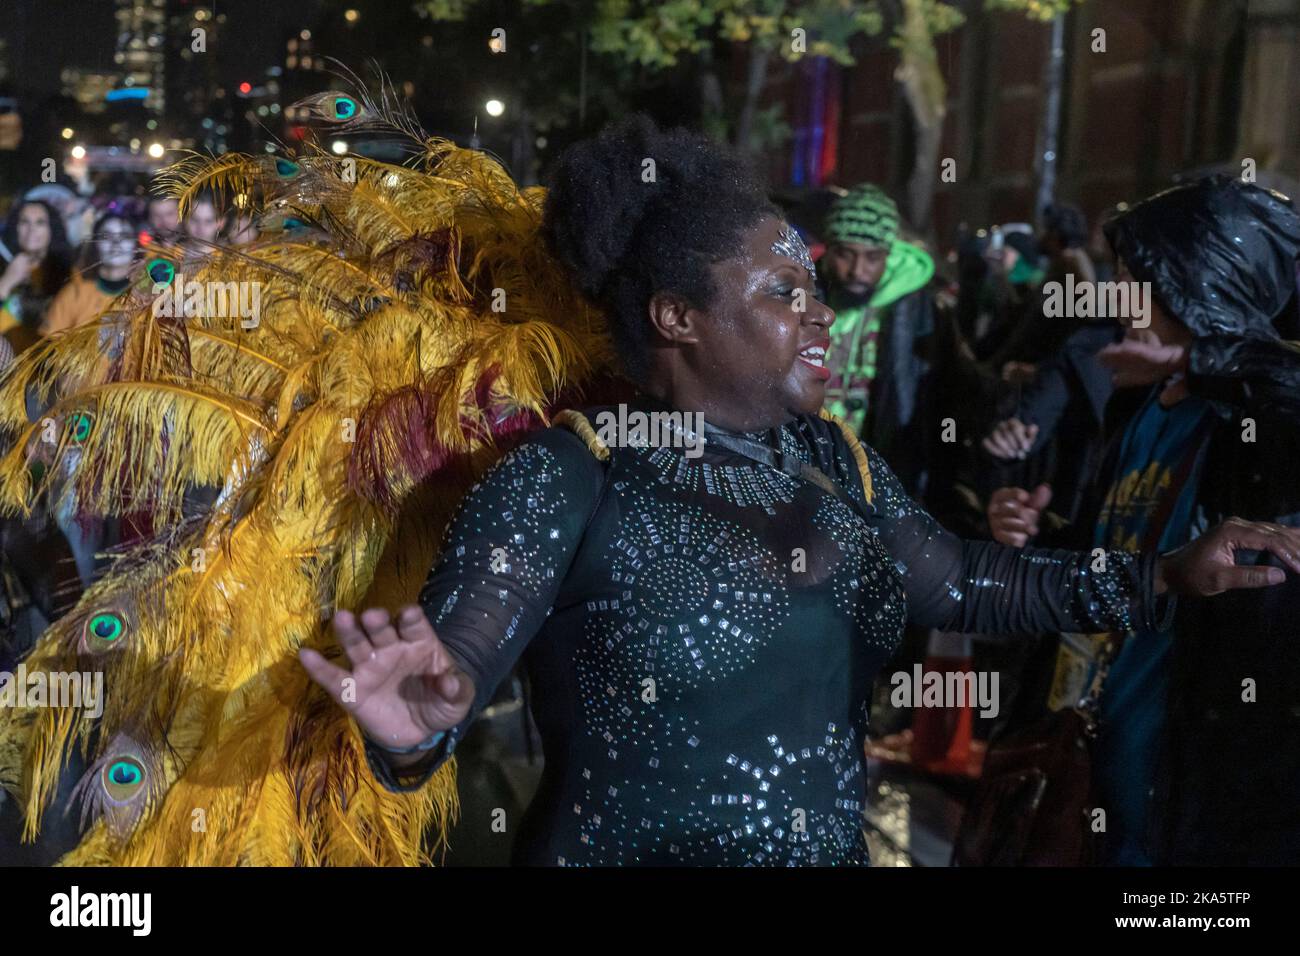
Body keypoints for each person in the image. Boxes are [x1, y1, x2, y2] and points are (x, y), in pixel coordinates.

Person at [297, 121, 1300, 867]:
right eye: (783, 293)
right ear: (676, 315)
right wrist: (421, 722)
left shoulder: (839, 463)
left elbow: (968, 585)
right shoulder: (565, 475)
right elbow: (455, 662)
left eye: (815, 286)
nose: (820, 314)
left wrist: (1163, 572)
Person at [986, 175, 1300, 864]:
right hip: (1097, 771)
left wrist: (1211, 357)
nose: (1115, 295)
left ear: (1207, 287)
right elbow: (1117, 555)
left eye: (1138, 278)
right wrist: (1042, 537)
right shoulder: (1138, 408)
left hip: (1197, 808)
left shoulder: (1261, 429)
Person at [817, 184, 938, 495]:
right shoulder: (801, 294)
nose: (858, 271)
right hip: (808, 463)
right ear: (829, 249)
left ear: (889, 255)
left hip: (880, 467)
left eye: (872, 257)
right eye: (846, 254)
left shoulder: (915, 305)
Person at [42, 210, 139, 336]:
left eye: (125, 236)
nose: (116, 244)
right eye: (107, 236)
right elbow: (50, 345)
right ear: (95, 245)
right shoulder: (74, 293)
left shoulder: (149, 295)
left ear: (135, 245)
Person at [0, 200, 73, 353]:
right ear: (15, 228)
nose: (31, 229)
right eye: (24, 222)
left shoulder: (68, 274)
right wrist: (7, 282)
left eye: (40, 223)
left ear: (52, 229)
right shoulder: (5, 270)